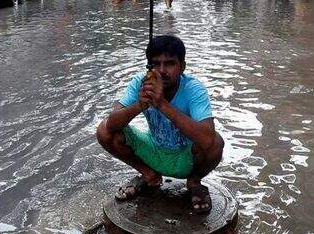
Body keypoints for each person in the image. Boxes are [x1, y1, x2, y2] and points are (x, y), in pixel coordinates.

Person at [96, 35, 224, 214]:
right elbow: (111, 124)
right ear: (148, 67)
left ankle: (194, 181)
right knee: (103, 131)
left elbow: (208, 139)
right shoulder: (140, 83)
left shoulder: (194, 88)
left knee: (216, 143)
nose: (162, 70)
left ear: (182, 67)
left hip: (186, 155)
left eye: (170, 63)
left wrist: (162, 104)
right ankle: (149, 175)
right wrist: (140, 105)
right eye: (155, 64)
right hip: (153, 149)